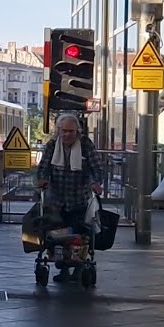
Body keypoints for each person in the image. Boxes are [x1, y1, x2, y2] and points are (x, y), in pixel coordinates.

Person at [35, 112, 104, 282]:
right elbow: (44, 166)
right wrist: (42, 179)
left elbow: (96, 167)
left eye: (70, 132)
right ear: (58, 131)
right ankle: (63, 268)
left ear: (77, 132)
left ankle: (79, 268)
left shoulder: (86, 145)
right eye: (63, 131)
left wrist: (96, 182)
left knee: (79, 235)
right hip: (56, 199)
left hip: (79, 198)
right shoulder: (52, 145)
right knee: (57, 234)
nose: (66, 135)